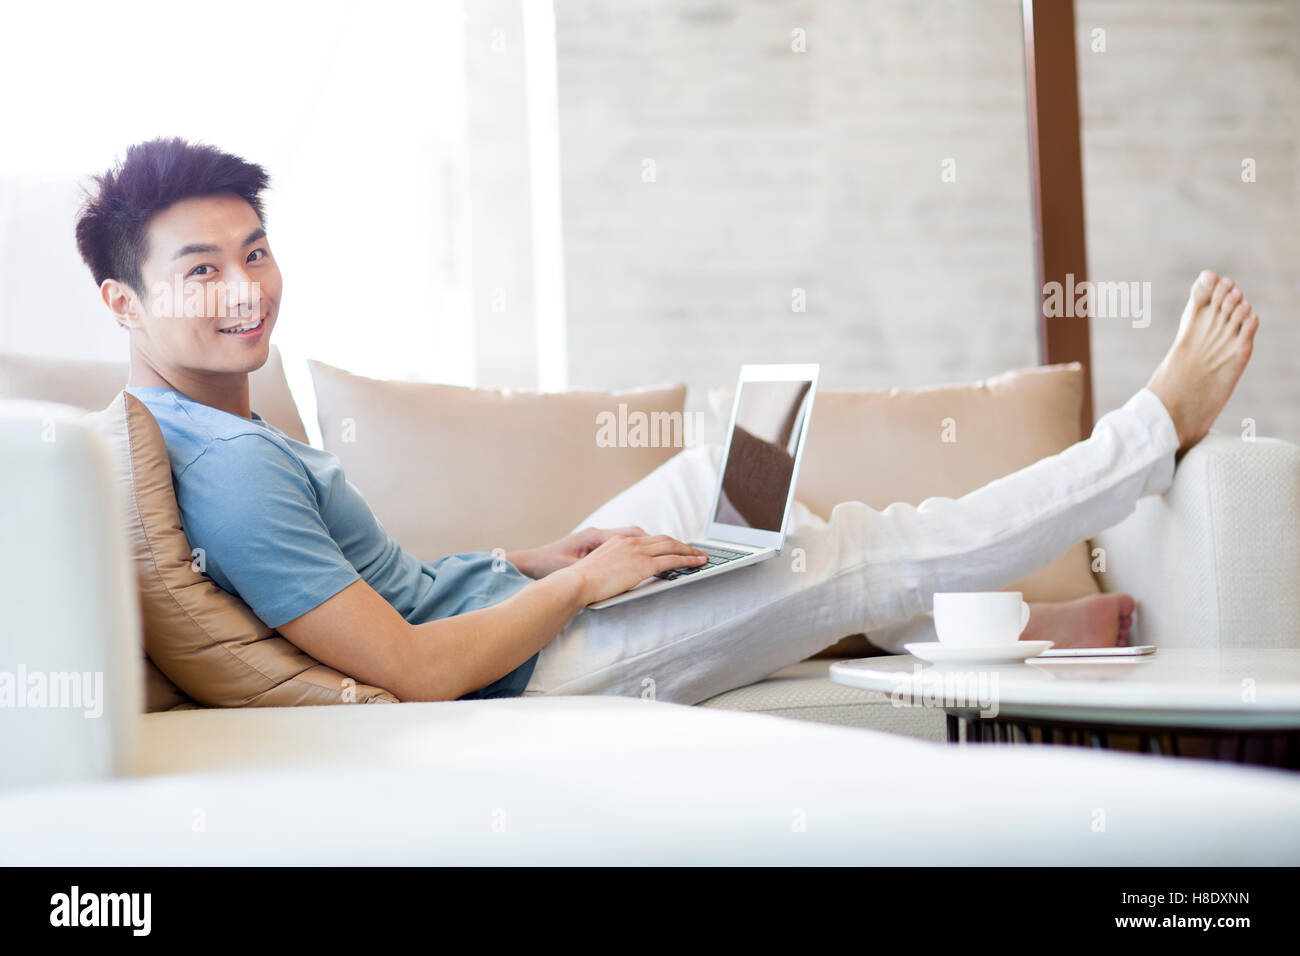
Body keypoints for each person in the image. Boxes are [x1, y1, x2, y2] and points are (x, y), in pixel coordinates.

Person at [75, 138, 1260, 704]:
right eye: (200, 269)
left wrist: (536, 556)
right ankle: (1146, 435)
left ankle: (989, 616)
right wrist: (579, 590)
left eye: (257, 250)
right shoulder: (224, 468)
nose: (245, 290)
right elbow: (415, 668)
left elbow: (392, 592)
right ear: (124, 300)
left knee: (719, 485)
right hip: (534, 673)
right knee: (858, 545)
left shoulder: (229, 429)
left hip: (516, 612)